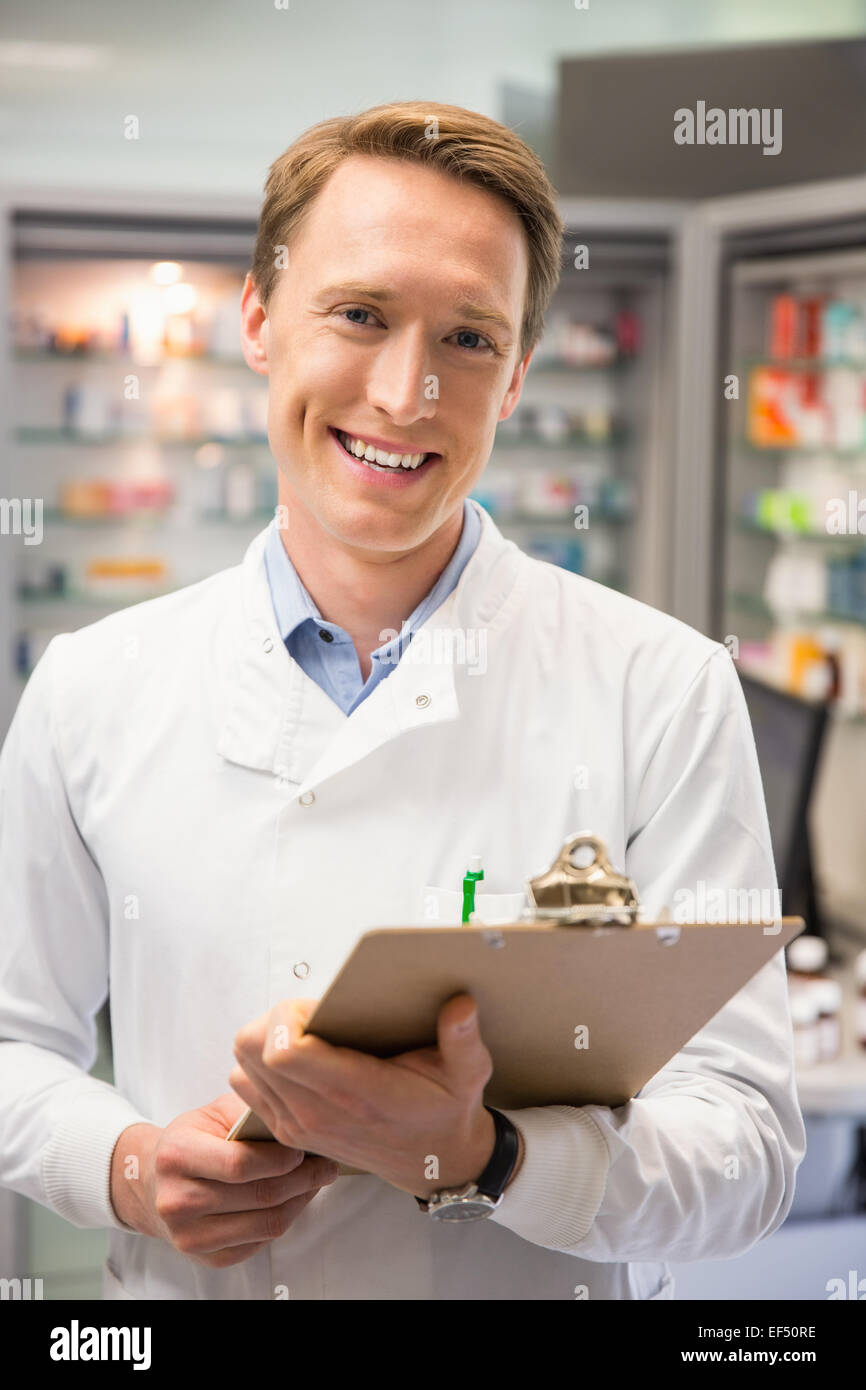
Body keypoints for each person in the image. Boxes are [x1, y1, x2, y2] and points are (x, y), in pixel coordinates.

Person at [0, 101, 804, 1301]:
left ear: (519, 376)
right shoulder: (92, 687)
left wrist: (491, 1157)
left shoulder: (661, 688)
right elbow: (13, 1044)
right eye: (360, 313)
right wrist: (123, 1168)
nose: (404, 389)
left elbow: (745, 1140)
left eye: (469, 339)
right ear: (261, 321)